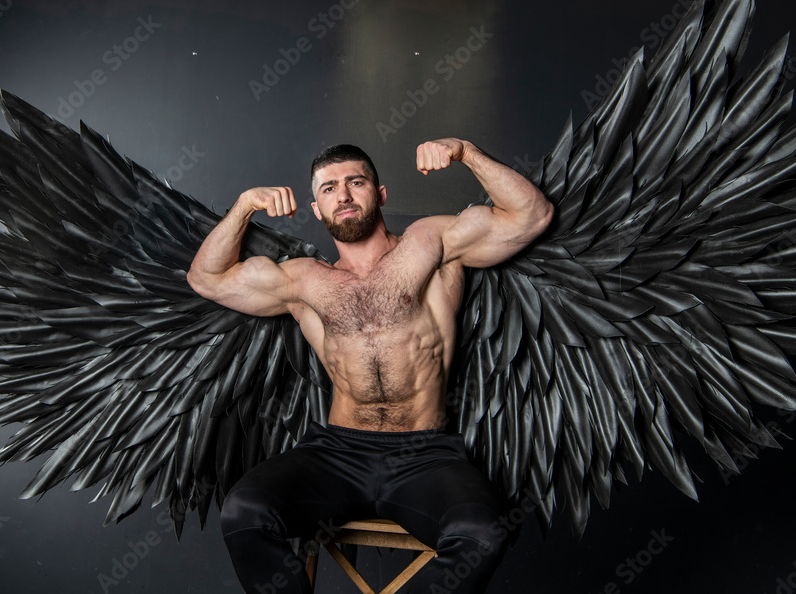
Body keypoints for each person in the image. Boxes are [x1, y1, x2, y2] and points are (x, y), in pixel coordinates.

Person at [187, 138, 553, 593]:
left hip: (425, 457)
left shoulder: (429, 244)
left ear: (380, 195)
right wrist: (244, 206)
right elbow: (206, 278)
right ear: (317, 210)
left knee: (482, 532)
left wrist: (466, 152)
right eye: (328, 189)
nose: (342, 195)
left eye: (355, 183)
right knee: (244, 512)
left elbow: (531, 216)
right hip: (335, 455)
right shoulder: (303, 279)